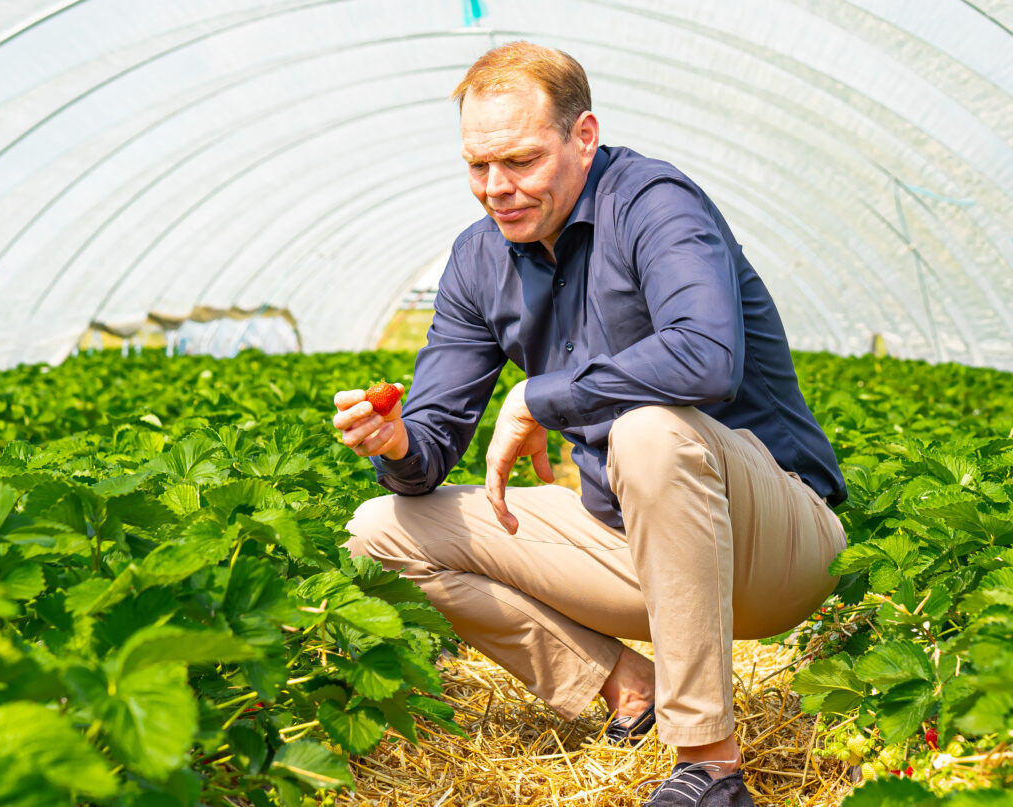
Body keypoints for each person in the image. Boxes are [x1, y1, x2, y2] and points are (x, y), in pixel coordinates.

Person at [330, 41, 846, 807]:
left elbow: (707, 357)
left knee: (648, 431)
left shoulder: (653, 205)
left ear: (584, 136)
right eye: (478, 165)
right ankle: (627, 686)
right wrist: (398, 443)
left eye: (521, 160)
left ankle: (709, 766)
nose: (497, 188)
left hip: (774, 544)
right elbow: (430, 447)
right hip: (633, 545)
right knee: (381, 529)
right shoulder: (478, 260)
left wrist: (540, 396)